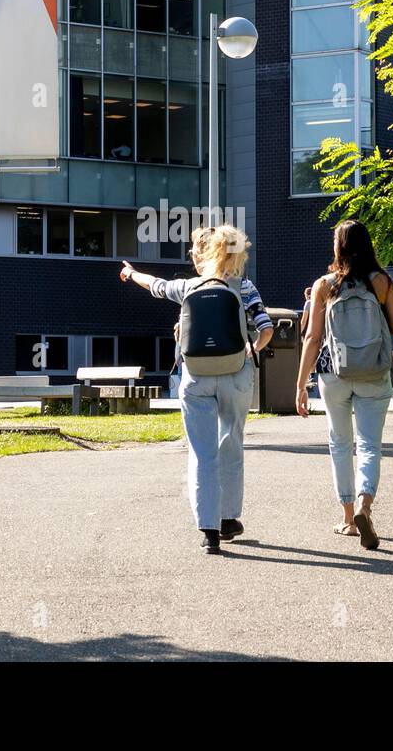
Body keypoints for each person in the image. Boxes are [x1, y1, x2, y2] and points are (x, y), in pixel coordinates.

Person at [120, 225, 274, 554]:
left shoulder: (190, 286)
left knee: (203, 452)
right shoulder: (244, 287)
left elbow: (157, 286)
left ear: (205, 254)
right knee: (231, 442)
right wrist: (252, 349)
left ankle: (209, 529)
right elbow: (266, 327)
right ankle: (229, 518)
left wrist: (131, 274)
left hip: (196, 374)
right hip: (235, 372)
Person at [296, 220, 393, 550]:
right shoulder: (382, 282)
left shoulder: (323, 285)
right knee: (370, 445)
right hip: (374, 371)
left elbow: (313, 338)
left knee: (340, 443)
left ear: (338, 247)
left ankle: (347, 519)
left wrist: (301, 384)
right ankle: (364, 505)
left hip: (334, 374)